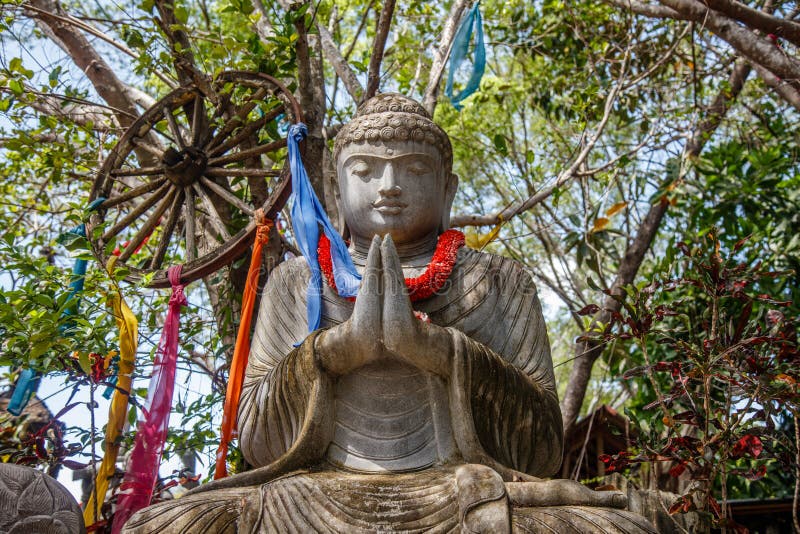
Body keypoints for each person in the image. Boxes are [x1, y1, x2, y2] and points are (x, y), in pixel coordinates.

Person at [123, 94, 654, 533]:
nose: (390, 186)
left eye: (414, 169)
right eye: (367, 169)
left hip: (464, 493)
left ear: (447, 188)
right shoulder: (297, 281)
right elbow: (258, 436)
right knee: (169, 525)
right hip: (307, 498)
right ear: (336, 187)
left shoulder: (494, 279)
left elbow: (539, 444)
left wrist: (442, 352)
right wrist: (333, 352)